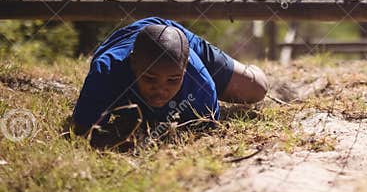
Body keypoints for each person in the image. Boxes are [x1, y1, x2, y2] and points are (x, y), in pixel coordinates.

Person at [71, 17, 268, 148]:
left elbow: (205, 128)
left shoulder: (199, 81)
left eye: (173, 80)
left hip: (177, 38)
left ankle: (249, 67)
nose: (161, 89)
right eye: (150, 78)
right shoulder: (106, 71)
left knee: (256, 89)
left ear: (185, 69)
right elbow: (84, 132)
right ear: (133, 64)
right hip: (139, 41)